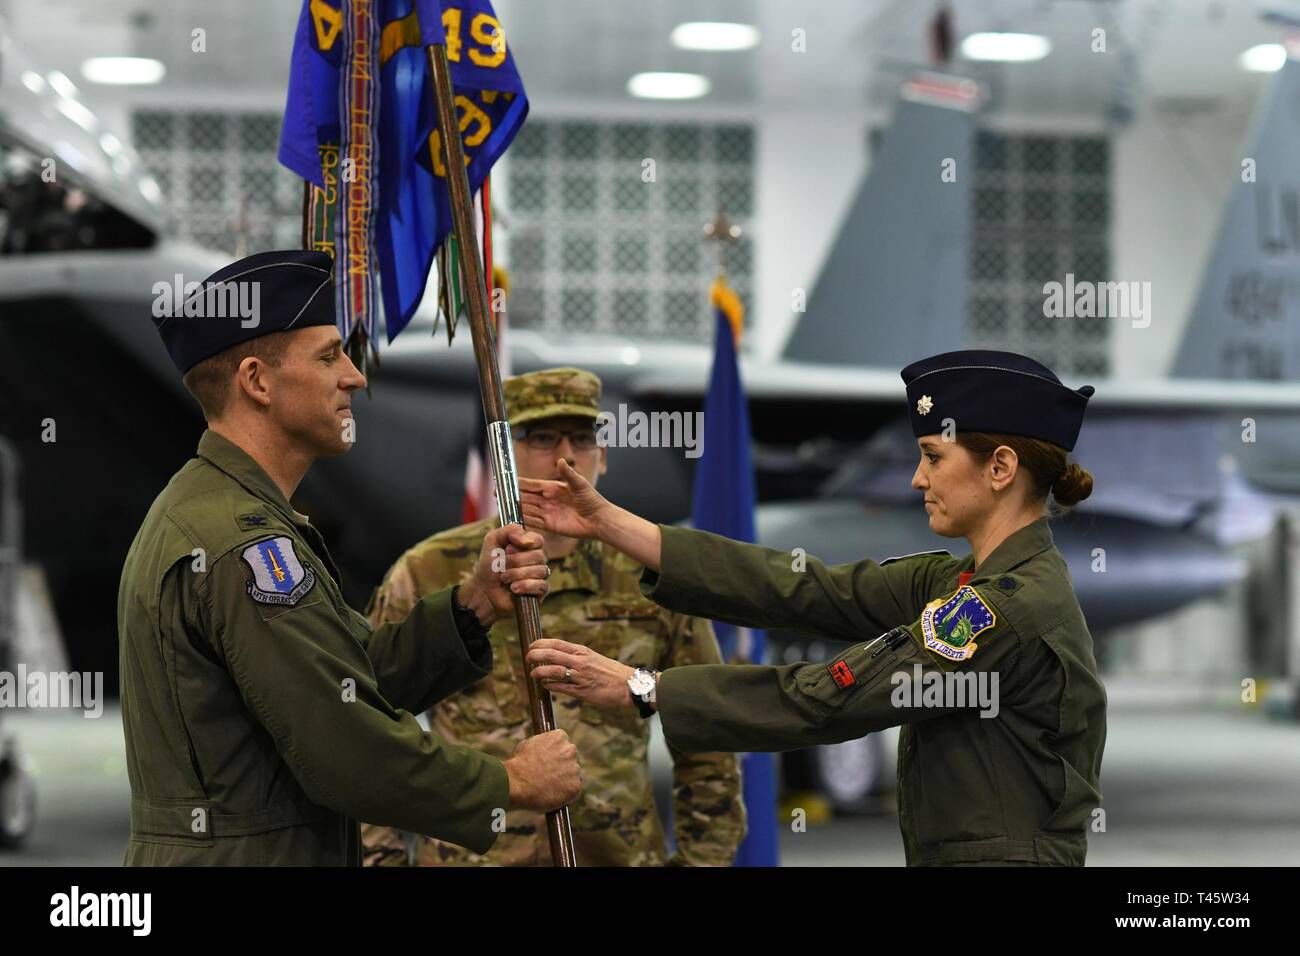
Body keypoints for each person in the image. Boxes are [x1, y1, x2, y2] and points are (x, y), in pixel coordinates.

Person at [521, 350, 1107, 866]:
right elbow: (799, 588)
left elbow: (830, 698)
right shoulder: (961, 581)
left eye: (932, 456)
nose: (916, 478)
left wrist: (644, 689)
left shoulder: (1002, 608)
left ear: (1000, 468)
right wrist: (607, 522)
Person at [117, 249, 580, 866]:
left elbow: (341, 683)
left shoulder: (227, 514)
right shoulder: (242, 543)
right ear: (256, 381)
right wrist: (512, 782)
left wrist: (471, 607)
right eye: (329, 355)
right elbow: (346, 749)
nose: (356, 377)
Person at [361, 368, 746, 866]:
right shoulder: (432, 571)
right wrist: (382, 860)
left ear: (603, 457)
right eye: (542, 437)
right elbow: (369, 723)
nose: (565, 455)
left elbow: (705, 730)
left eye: (582, 438)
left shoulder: (651, 576)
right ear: (505, 457)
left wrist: (701, 861)